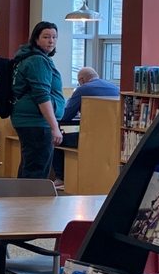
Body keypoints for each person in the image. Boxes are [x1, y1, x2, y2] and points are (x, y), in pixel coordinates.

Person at [10, 21, 65, 179]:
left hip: (31, 122)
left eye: (54, 37)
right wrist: (54, 126)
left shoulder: (31, 57)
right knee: (37, 170)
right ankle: (30, 203)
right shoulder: (37, 61)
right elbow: (42, 96)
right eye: (46, 37)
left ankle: (21, 201)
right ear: (36, 39)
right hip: (36, 122)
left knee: (30, 165)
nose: (51, 41)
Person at [52, 67, 119, 180]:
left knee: (56, 139)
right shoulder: (115, 88)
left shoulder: (83, 89)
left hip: (90, 137)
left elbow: (66, 115)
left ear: (81, 80)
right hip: (112, 138)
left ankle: (61, 178)